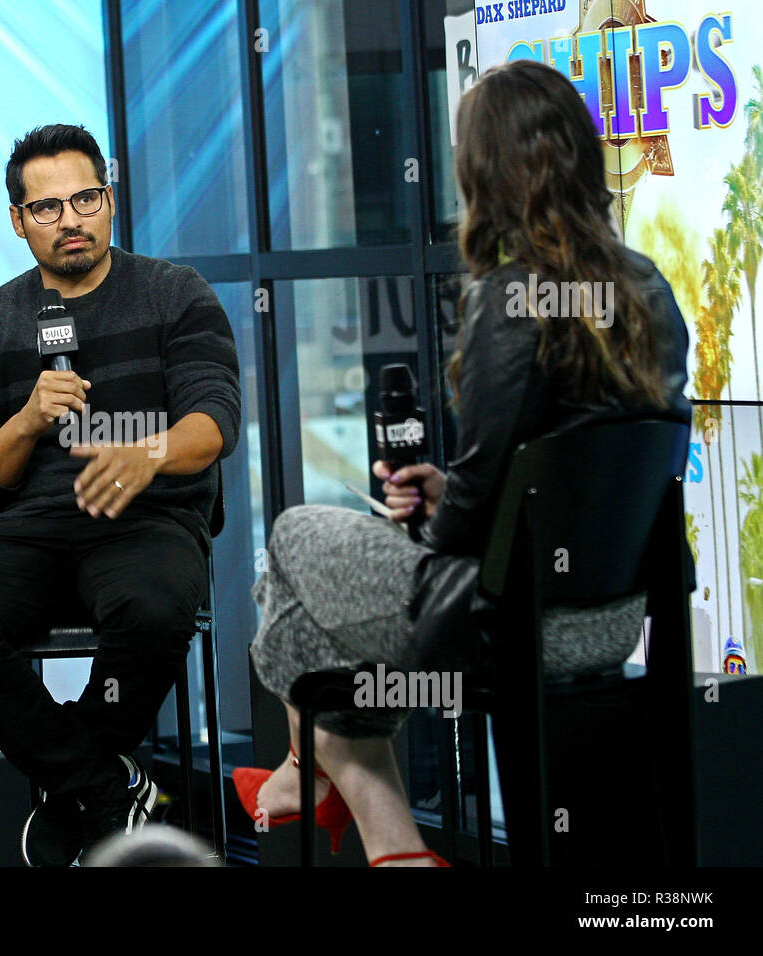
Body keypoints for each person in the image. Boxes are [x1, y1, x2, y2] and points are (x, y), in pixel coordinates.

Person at [238, 59, 692, 866]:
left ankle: (319, 769)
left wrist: (440, 511)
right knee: (296, 598)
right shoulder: (646, 286)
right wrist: (454, 489)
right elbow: (567, 473)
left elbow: (466, 532)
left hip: (512, 623)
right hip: (614, 618)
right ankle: (384, 837)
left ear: (484, 171)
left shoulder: (506, 298)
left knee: (291, 542)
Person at [0, 124, 241, 866]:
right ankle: (104, 786)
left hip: (148, 518)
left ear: (110, 200)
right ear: (18, 220)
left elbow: (216, 421)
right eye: (48, 207)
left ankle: (79, 787)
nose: (71, 220)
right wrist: (27, 421)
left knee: (154, 606)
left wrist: (146, 454)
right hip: (33, 528)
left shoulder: (174, 294)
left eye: (85, 199)